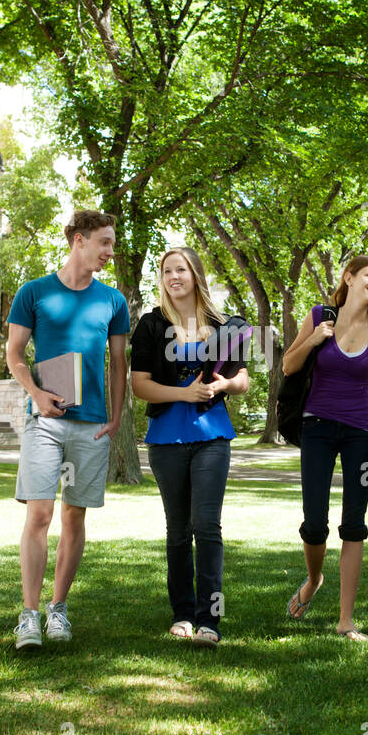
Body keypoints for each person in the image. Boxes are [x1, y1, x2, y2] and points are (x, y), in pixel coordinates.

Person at [6, 209, 130, 650]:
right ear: (79, 240)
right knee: (39, 515)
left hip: (92, 426)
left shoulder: (113, 301)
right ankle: (29, 615)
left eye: (112, 244)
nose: (110, 252)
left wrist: (115, 418)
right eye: (104, 243)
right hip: (45, 421)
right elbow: (15, 354)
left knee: (74, 515)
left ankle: (58, 610)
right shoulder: (34, 292)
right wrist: (37, 395)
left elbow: (119, 364)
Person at [130, 248, 251, 647]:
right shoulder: (151, 324)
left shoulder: (224, 325)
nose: (173, 276)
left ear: (195, 274)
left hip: (212, 436)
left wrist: (222, 385)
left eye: (180, 269)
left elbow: (243, 381)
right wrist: (183, 393)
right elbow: (139, 384)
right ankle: (182, 613)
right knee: (178, 531)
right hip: (165, 438)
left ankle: (209, 620)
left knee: (207, 526)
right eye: (166, 271)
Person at [282, 256, 368, 641]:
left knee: (354, 523)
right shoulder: (320, 314)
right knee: (314, 522)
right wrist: (316, 338)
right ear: (348, 277)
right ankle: (314, 579)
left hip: (359, 432)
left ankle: (345, 619)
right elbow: (287, 365)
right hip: (316, 425)